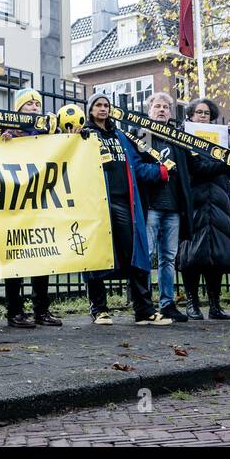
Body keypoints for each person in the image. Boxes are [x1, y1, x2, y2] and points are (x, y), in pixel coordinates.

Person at [80, 92, 173, 326]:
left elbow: (139, 165)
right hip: (96, 204)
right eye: (98, 105)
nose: (103, 109)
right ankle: (99, 309)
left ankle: (144, 311)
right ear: (90, 110)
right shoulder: (84, 135)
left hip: (125, 202)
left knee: (136, 253)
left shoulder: (122, 136)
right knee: (96, 254)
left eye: (106, 105)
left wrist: (159, 172)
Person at [1, 87, 61, 329]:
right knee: (15, 256)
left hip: (40, 202)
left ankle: (41, 310)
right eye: (29, 104)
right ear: (19, 109)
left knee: (41, 255)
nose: (35, 108)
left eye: (37, 104)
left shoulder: (48, 132)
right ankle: (14, 311)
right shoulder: (9, 134)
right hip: (15, 204)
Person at [179, 98, 230, 320]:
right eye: (198, 112)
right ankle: (192, 304)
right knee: (191, 256)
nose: (203, 116)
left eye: (206, 113)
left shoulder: (222, 139)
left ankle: (215, 305)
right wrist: (225, 164)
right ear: (190, 116)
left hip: (219, 202)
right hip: (195, 202)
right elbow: (196, 168)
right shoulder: (186, 138)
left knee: (217, 255)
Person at [141, 92, 189, 322]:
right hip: (151, 205)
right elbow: (138, 168)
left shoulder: (178, 138)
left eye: (165, 107)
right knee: (146, 254)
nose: (161, 110)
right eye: (157, 106)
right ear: (149, 111)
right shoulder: (143, 135)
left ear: (170, 113)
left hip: (173, 207)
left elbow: (194, 164)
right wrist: (159, 173)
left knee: (168, 258)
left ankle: (167, 304)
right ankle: (145, 305)